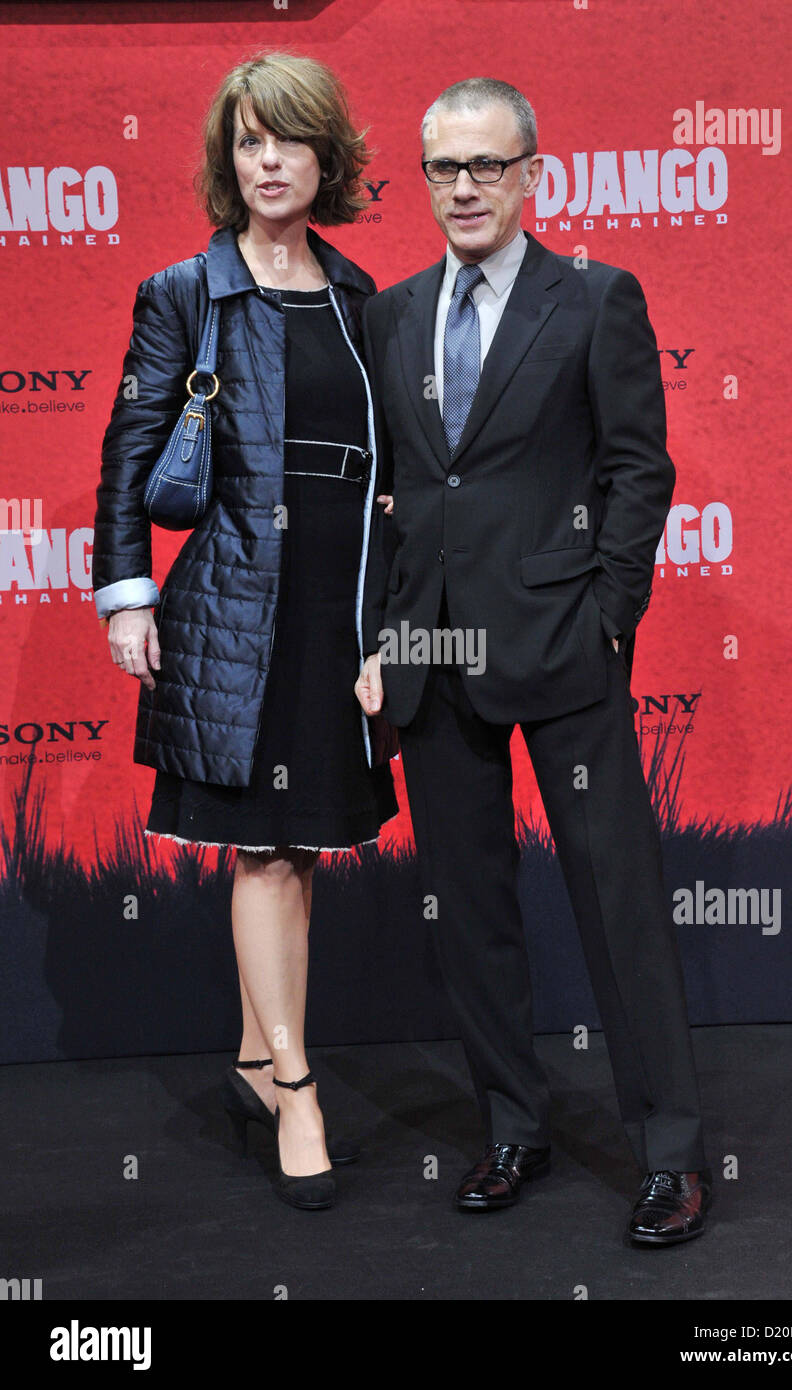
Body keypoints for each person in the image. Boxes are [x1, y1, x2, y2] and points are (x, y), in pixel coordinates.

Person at [355, 78, 712, 1244]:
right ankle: (512, 1126)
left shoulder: (596, 298)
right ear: (424, 181)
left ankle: (668, 1154)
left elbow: (637, 471)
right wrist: (382, 639)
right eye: (443, 169)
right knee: (470, 912)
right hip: (431, 647)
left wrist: (609, 618)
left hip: (564, 643)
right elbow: (395, 494)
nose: (464, 188)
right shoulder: (393, 312)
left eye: (486, 167)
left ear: (530, 175)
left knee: (617, 907)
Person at [93, 51, 398, 1211]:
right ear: (231, 161)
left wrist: (389, 627)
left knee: (301, 843)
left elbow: (392, 481)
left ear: (328, 156)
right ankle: (301, 1087)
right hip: (233, 602)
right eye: (248, 141)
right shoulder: (186, 290)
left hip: (337, 608)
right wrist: (126, 593)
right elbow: (130, 453)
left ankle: (249, 1054)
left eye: (288, 140)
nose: (267, 161)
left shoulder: (365, 296)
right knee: (262, 850)